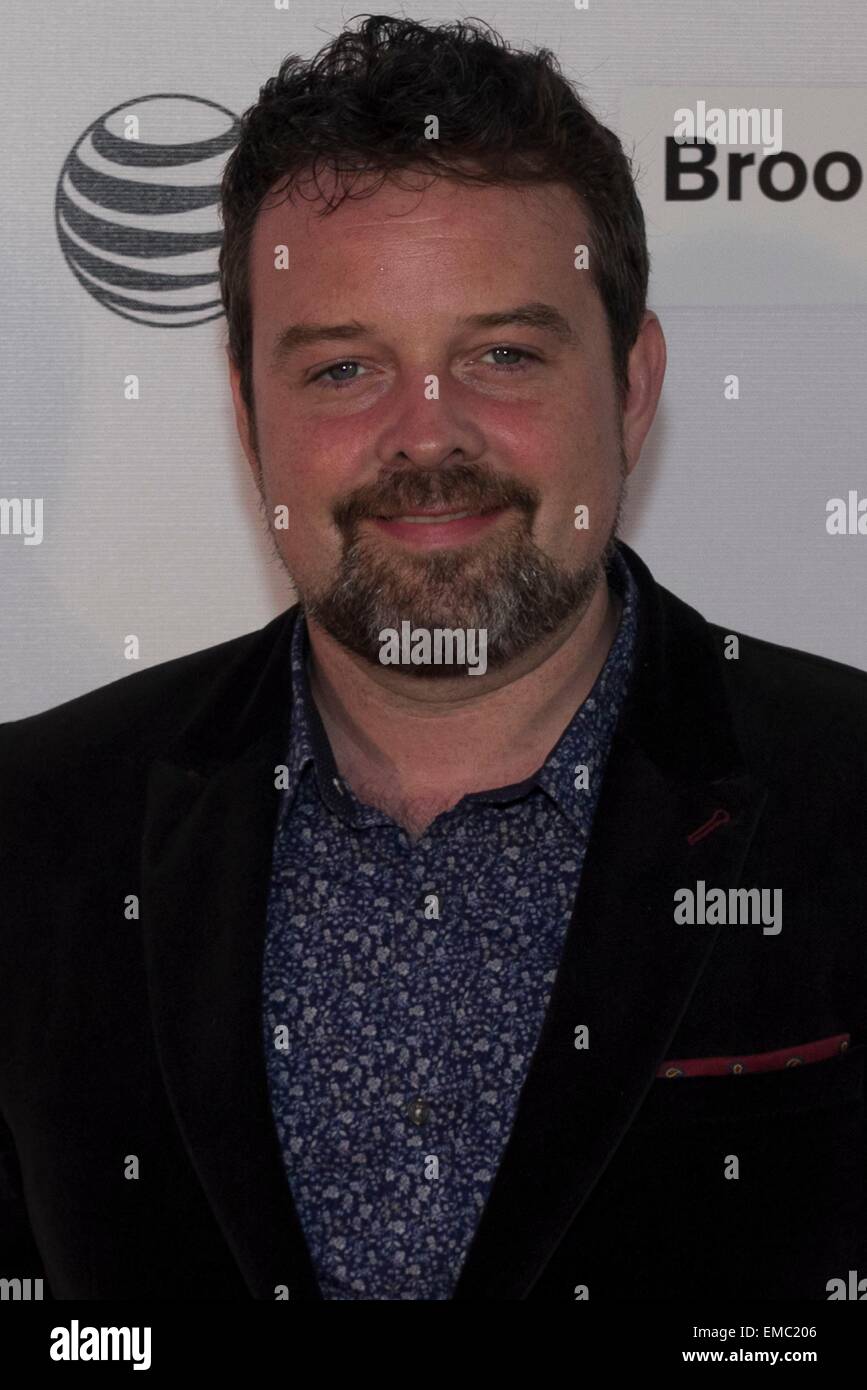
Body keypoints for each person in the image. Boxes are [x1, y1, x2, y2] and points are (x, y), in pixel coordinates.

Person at [1, 14, 864, 1302]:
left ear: (631, 385)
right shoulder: (35, 830)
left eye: (502, 355)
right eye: (345, 368)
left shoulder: (848, 797)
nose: (427, 437)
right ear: (247, 417)